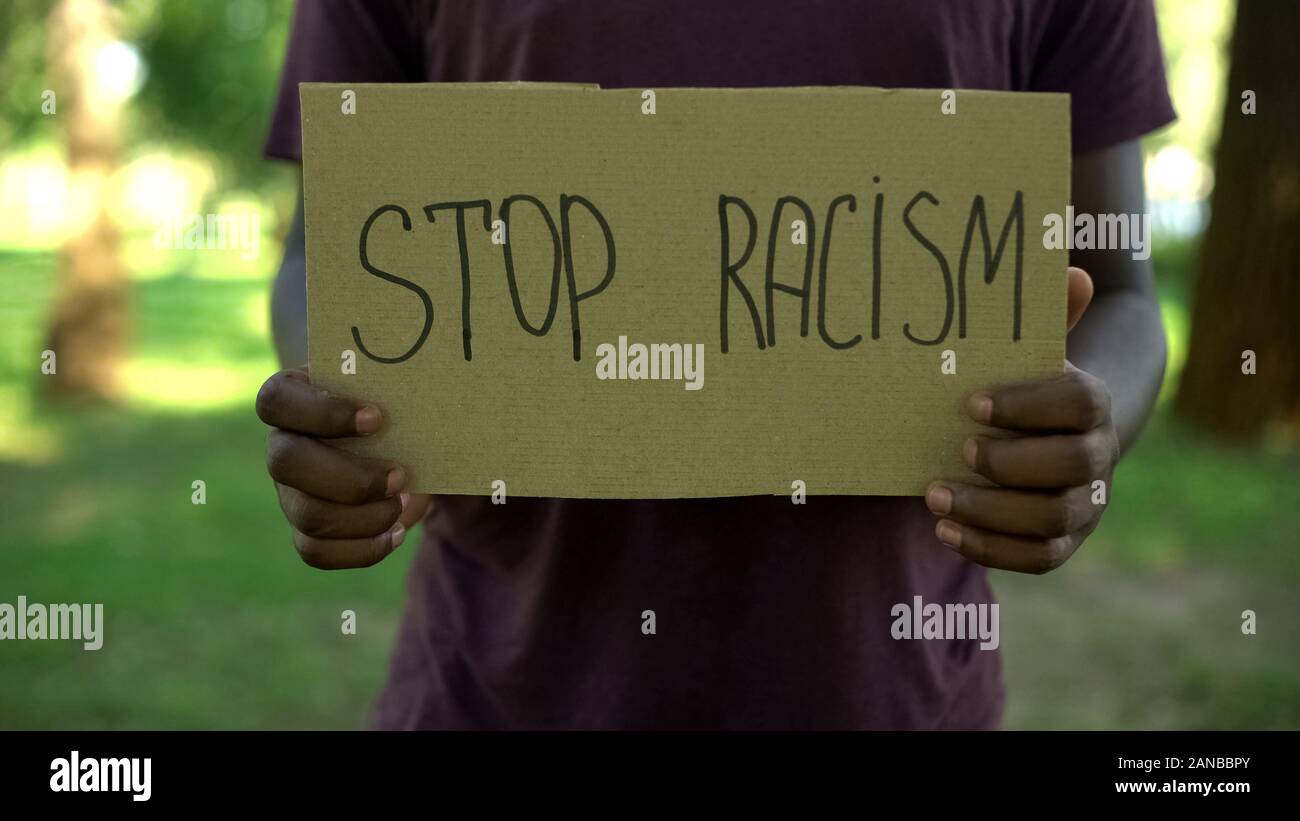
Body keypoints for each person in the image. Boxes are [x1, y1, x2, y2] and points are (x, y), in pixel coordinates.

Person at [255, 0, 1174, 729]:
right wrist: (343, 411)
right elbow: (320, 258)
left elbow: (1122, 292)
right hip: (495, 684)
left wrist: (1091, 428)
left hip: (894, 689)